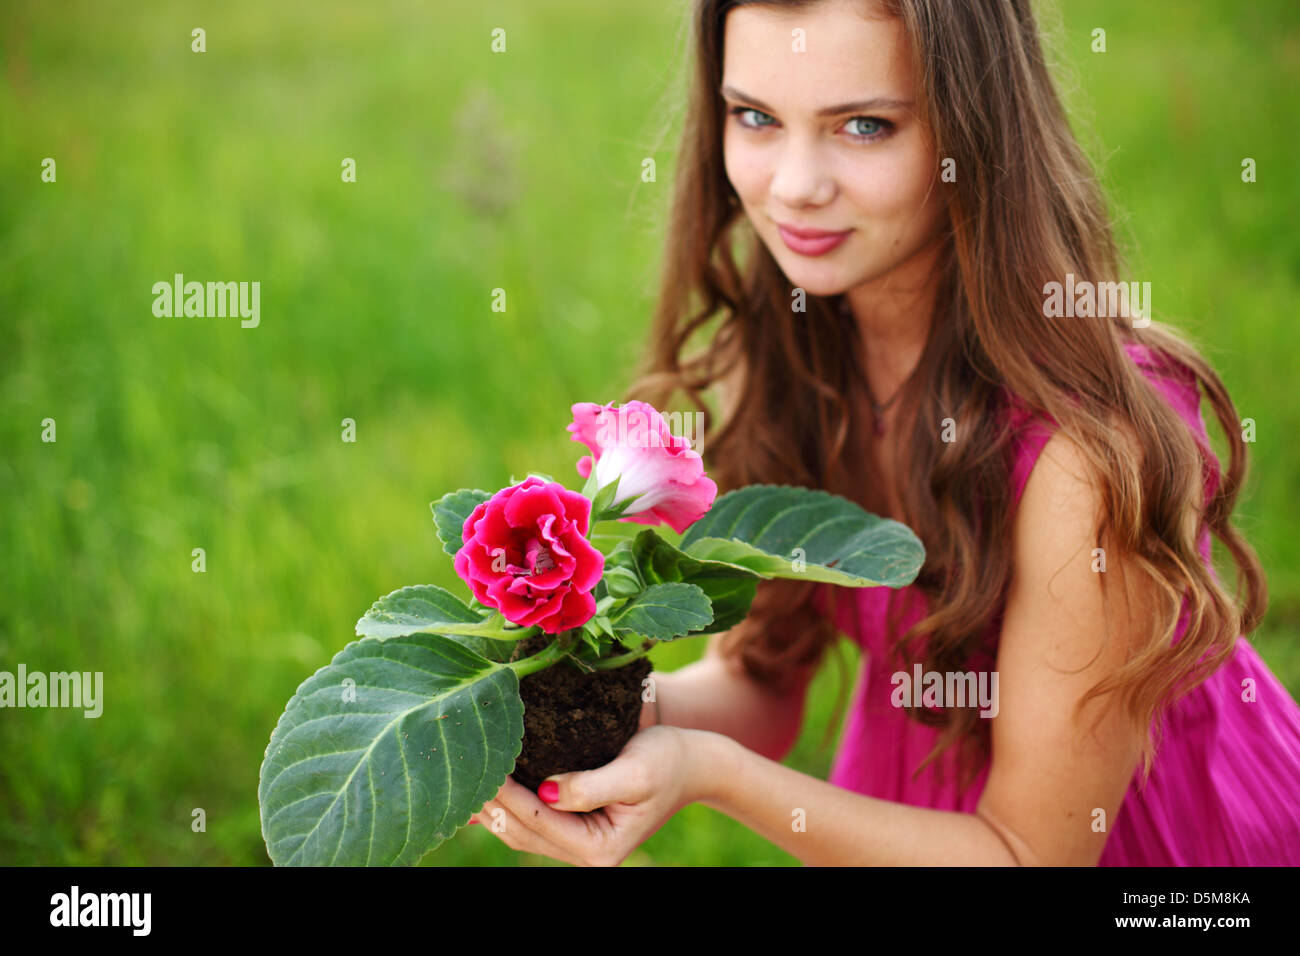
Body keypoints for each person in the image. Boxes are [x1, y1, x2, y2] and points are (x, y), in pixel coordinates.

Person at [468, 0, 1300, 865]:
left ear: (973, 133)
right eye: (755, 116)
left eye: (863, 126)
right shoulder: (798, 352)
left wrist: (706, 773)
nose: (794, 184)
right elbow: (764, 680)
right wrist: (558, 728)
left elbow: (1028, 853)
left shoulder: (1085, 457)